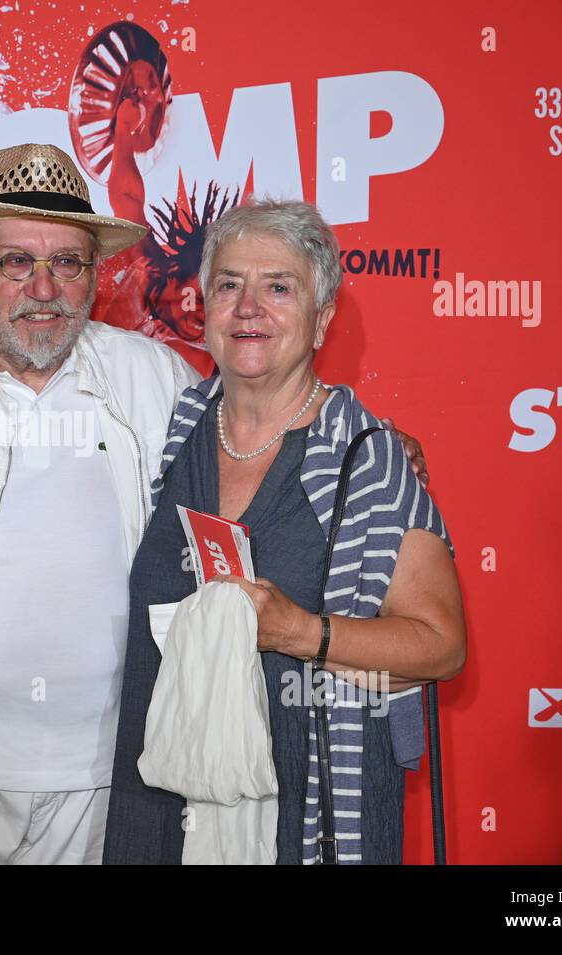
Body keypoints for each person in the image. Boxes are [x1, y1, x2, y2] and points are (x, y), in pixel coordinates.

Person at [0, 143, 430, 865]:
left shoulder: (149, 375)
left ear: (95, 273)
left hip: (108, 769)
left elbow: (252, 433)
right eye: (15, 261)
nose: (44, 286)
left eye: (68, 262)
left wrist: (355, 443)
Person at [103, 197, 466, 865]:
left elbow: (441, 645)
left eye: (278, 287)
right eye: (229, 284)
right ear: (204, 306)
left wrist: (300, 631)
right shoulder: (175, 426)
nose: (249, 307)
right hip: (160, 800)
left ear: (322, 319)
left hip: (312, 817)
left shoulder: (366, 457)